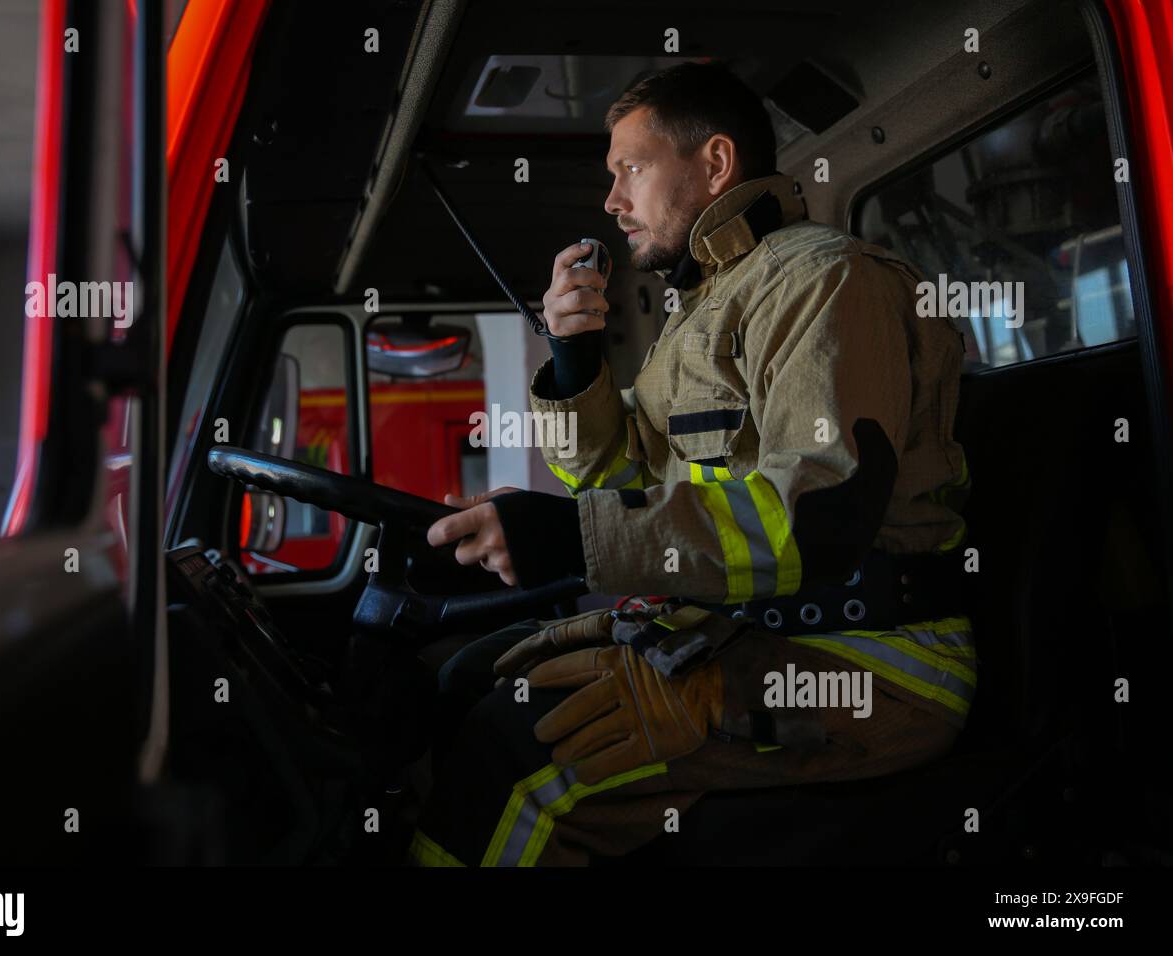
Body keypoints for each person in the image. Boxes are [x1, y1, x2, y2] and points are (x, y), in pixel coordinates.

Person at [409, 61, 975, 867]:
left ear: (714, 164)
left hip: (871, 657)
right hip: (751, 628)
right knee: (468, 679)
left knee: (517, 758)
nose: (611, 202)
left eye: (629, 170)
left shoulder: (823, 278)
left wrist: (575, 539)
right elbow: (616, 480)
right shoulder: (706, 306)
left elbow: (823, 515)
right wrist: (573, 362)